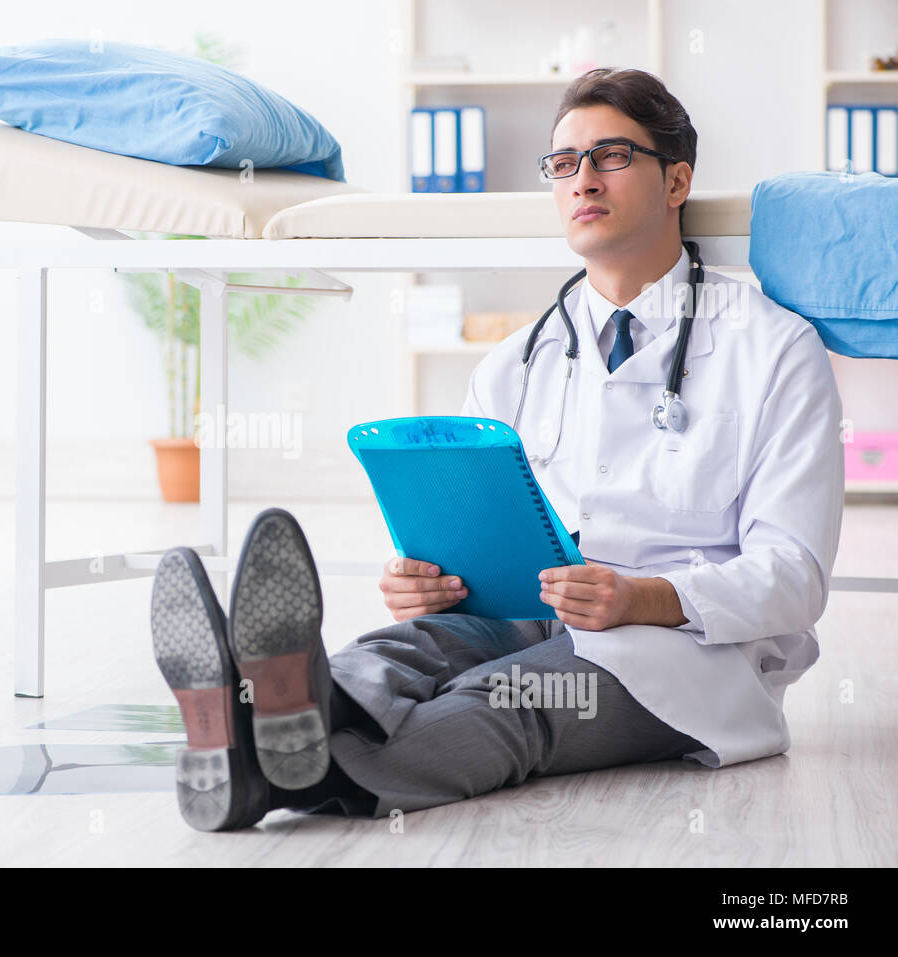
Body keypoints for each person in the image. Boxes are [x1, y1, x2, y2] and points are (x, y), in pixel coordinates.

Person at [148, 67, 845, 831]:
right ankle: (265, 724)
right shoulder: (516, 360)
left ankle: (262, 763)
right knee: (401, 649)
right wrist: (436, 582)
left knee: (510, 700)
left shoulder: (774, 349)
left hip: (680, 650)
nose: (583, 179)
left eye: (611, 155)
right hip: (522, 612)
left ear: (675, 179)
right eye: (563, 163)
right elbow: (482, 536)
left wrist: (642, 596)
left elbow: (795, 576)